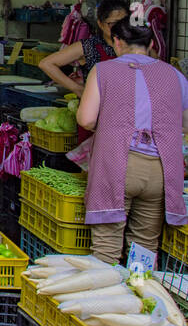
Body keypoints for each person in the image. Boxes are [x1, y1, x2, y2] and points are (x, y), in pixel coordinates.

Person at [76, 18, 188, 264]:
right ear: (150, 44)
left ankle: (106, 301)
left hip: (117, 164)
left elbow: (85, 119)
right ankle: (142, 297)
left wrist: (112, 125)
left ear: (117, 42)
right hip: (161, 170)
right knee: (146, 246)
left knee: (106, 247)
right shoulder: (174, 75)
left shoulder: (103, 71)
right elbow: (184, 123)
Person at [40, 0, 129, 96]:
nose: (120, 27)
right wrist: (77, 89)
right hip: (96, 106)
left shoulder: (134, 44)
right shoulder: (89, 46)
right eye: (113, 23)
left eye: (123, 22)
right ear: (100, 24)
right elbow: (46, 64)